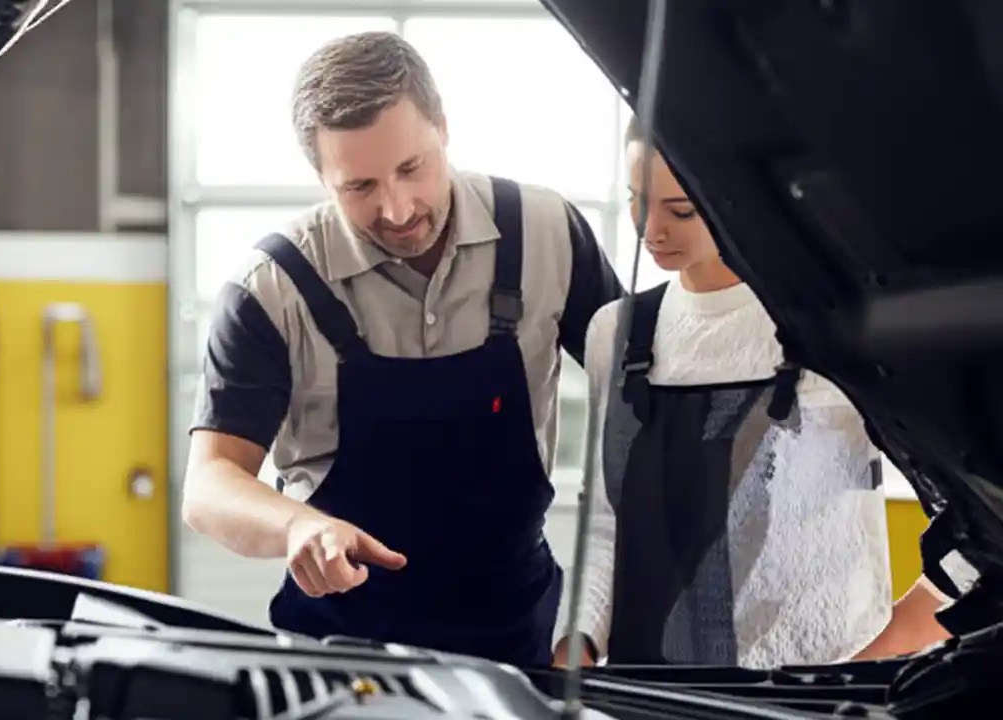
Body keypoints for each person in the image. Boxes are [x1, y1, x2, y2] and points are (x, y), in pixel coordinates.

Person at [181, 30, 624, 668]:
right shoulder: (272, 289)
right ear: (320, 178)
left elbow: (643, 407)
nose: (396, 209)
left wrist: (593, 619)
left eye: (412, 168)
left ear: (443, 127)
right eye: (359, 186)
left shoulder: (548, 234)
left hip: (522, 646)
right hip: (337, 658)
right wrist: (297, 526)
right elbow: (208, 486)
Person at [553, 116, 893, 669]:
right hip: (650, 688)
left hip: (807, 696)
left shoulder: (835, 334)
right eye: (637, 199)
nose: (650, 230)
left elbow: (973, 520)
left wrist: (881, 659)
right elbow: (608, 520)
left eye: (681, 210)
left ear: (738, 196)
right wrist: (577, 642)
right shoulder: (616, 332)